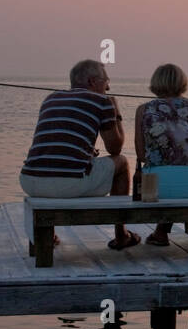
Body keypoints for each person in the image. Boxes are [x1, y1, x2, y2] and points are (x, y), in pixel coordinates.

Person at [20, 59, 137, 249]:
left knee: (62, 167)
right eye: (106, 81)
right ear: (92, 81)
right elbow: (115, 148)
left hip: (30, 181)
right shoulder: (102, 101)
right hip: (67, 184)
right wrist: (117, 113)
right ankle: (121, 234)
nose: (108, 87)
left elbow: (58, 143)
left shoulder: (50, 98)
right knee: (122, 163)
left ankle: (48, 235)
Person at [134, 63, 188, 245]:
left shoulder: (143, 110)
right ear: (182, 83)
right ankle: (160, 233)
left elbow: (140, 155)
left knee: (164, 178)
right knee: (178, 179)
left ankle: (160, 233)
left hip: (153, 189)